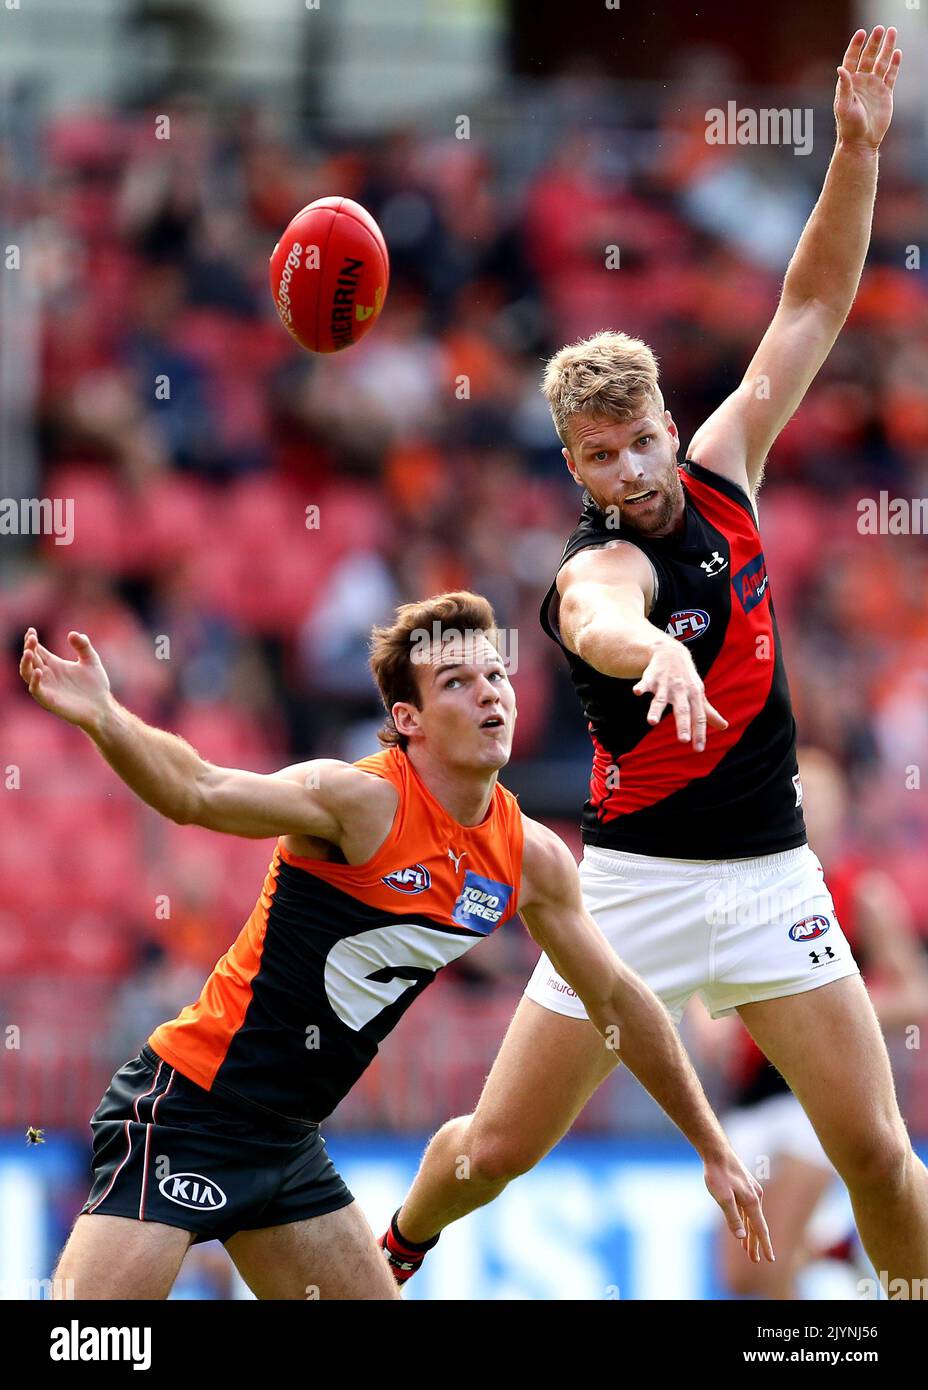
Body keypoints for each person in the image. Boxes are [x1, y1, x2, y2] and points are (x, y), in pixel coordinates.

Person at [381, 28, 928, 1296]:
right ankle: (396, 1247)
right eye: (593, 458)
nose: (621, 475)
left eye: (635, 445)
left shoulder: (726, 468)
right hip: (632, 896)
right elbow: (599, 616)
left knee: (881, 1155)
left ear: (668, 428)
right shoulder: (594, 561)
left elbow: (809, 305)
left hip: (772, 878)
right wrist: (650, 659)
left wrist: (852, 153)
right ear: (569, 465)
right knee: (496, 1152)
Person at [19, 592, 767, 1301]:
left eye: (496, 674)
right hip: (186, 1112)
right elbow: (199, 790)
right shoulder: (356, 801)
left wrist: (712, 1146)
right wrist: (104, 715)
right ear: (407, 718)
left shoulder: (530, 858)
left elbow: (617, 999)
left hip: (287, 1146)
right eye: (458, 681)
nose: (490, 693)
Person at [699, 748, 928, 1299]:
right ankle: (839, 1251)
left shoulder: (863, 892)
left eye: (819, 798)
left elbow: (917, 995)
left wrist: (829, 1011)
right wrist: (714, 1028)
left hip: (824, 1095)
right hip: (749, 1101)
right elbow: (705, 996)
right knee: (743, 1276)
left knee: (772, 1256)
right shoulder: (742, 899)